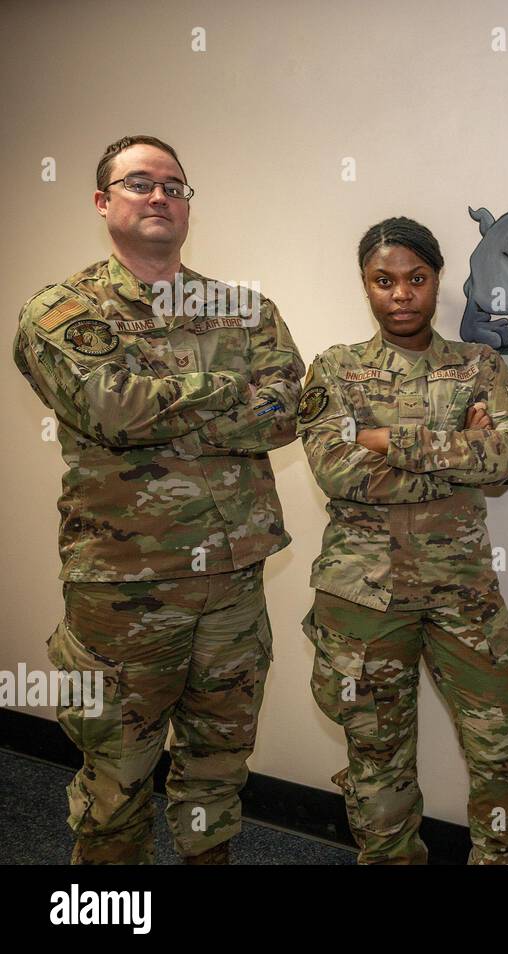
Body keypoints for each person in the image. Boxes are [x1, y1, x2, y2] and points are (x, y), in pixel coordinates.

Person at [12, 134, 304, 864]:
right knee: (117, 780)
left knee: (217, 768)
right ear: (103, 201)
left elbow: (291, 410)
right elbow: (112, 409)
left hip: (233, 587)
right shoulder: (61, 310)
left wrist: (164, 405)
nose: (160, 196)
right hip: (124, 594)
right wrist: (231, 393)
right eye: (138, 183)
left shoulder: (245, 310)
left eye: (174, 185)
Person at [297, 216, 508, 864]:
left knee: (503, 746)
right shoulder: (336, 369)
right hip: (364, 596)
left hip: (462, 591)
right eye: (385, 280)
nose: (401, 294)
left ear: (436, 281)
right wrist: (453, 446)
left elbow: (502, 459)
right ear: (366, 286)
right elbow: (339, 473)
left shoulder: (478, 366)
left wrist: (388, 440)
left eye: (416, 278)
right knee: (377, 762)